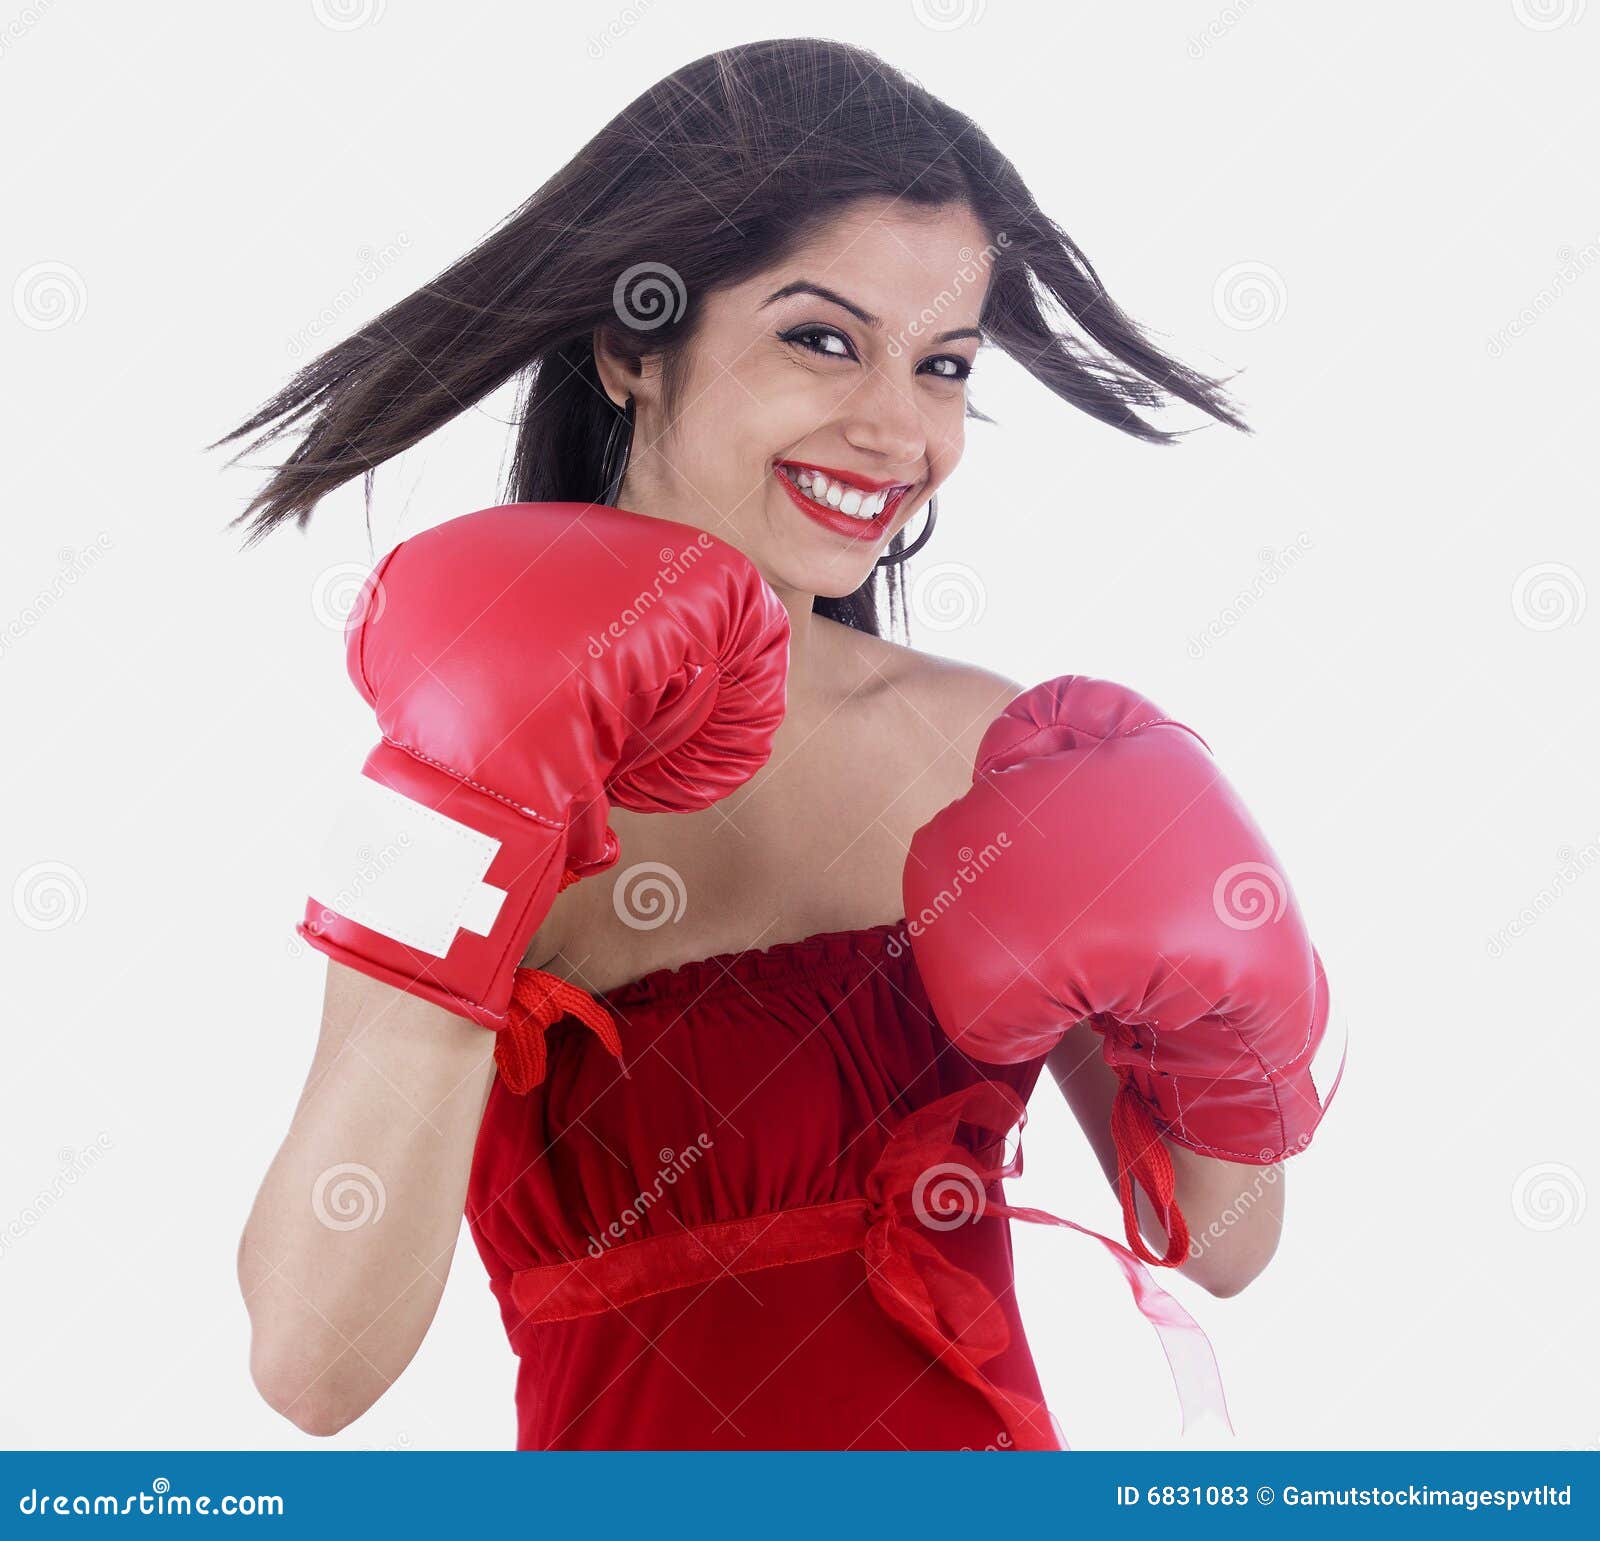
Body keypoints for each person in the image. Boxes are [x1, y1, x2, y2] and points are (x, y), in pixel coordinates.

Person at [224, 37, 1337, 1451]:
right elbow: (311, 1364)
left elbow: (1222, 1242)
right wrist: (483, 819)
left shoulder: (995, 749)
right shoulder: (484, 736)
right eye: (822, 338)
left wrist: (1229, 994)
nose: (895, 428)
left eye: (943, 366)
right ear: (633, 343)